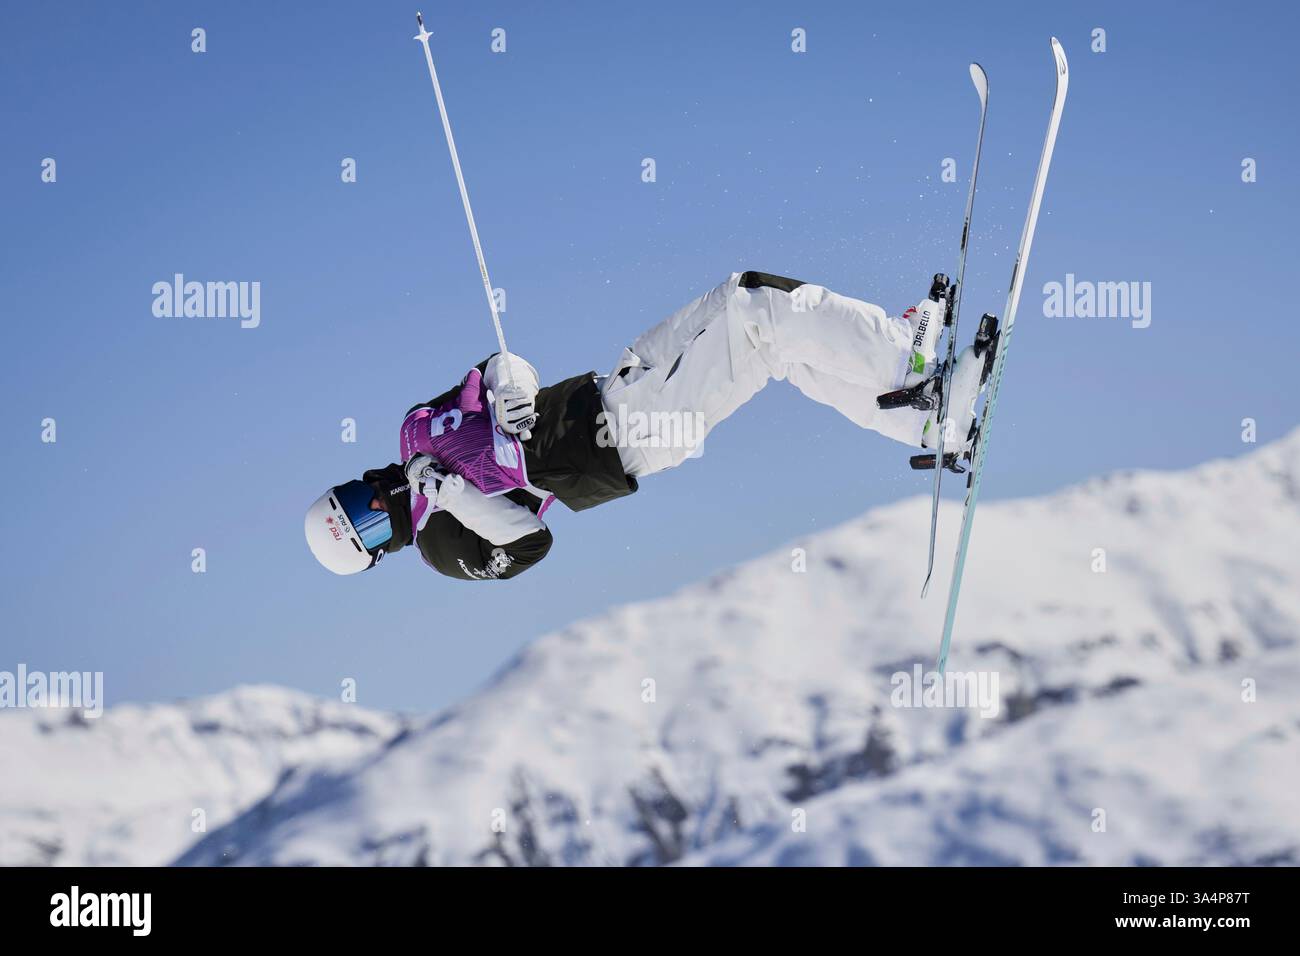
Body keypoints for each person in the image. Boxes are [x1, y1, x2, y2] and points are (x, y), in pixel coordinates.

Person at [304, 270, 989, 581]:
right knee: (758, 313)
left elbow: (496, 366)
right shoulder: (441, 544)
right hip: (625, 440)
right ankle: (908, 363)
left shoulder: (416, 429)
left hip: (609, 390)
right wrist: (454, 496)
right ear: (379, 552)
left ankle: (920, 417)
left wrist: (515, 384)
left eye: (359, 502)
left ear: (361, 480)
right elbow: (532, 541)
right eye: (369, 530)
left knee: (752, 312)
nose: (380, 508)